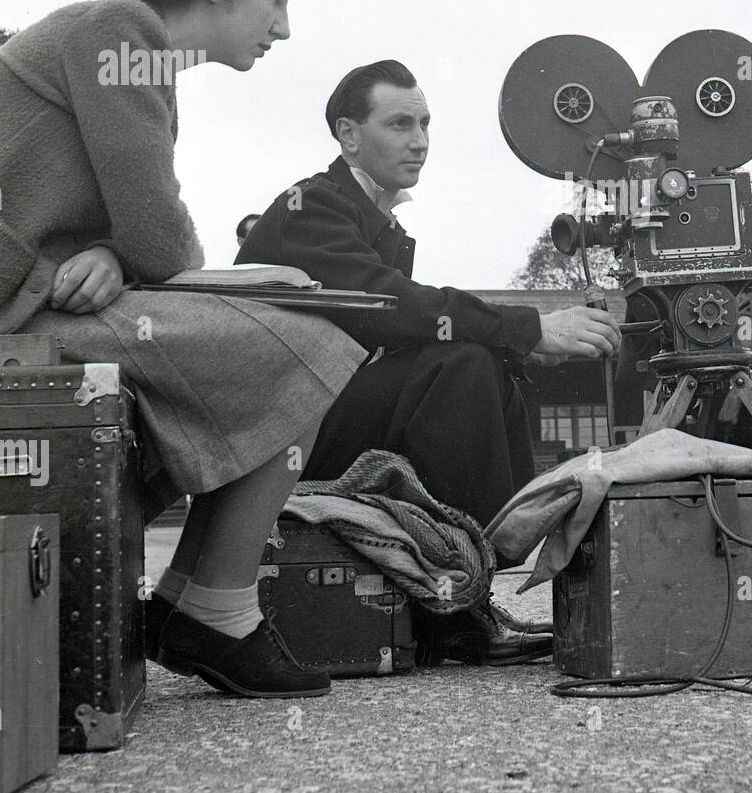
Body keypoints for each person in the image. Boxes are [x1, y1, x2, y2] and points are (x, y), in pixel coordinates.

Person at [0, 0, 367, 697]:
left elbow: (133, 233)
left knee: (297, 319)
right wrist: (127, 252)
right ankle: (210, 610)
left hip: (23, 300)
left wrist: (110, 252)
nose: (285, 28)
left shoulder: (131, 52)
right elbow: (161, 241)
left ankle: (202, 602)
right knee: (316, 336)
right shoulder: (119, 34)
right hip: (5, 316)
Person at [236, 59, 621, 662]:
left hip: (318, 412)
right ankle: (462, 605)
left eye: (425, 124)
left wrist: (517, 347)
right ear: (348, 134)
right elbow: (395, 307)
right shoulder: (312, 206)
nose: (418, 141)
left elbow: (404, 325)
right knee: (463, 363)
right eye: (398, 123)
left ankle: (466, 588)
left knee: (479, 361)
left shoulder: (368, 213)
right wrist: (527, 329)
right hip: (277, 431)